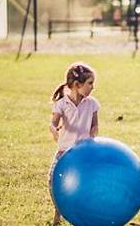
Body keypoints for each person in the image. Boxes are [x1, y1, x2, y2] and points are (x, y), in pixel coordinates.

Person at [48, 62, 99, 225]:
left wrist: (93, 134)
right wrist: (53, 129)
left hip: (83, 152)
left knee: (84, 183)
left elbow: (94, 125)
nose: (93, 87)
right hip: (64, 151)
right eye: (90, 83)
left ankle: (83, 212)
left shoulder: (92, 104)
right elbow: (53, 122)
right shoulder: (62, 104)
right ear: (77, 85)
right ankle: (58, 212)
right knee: (54, 182)